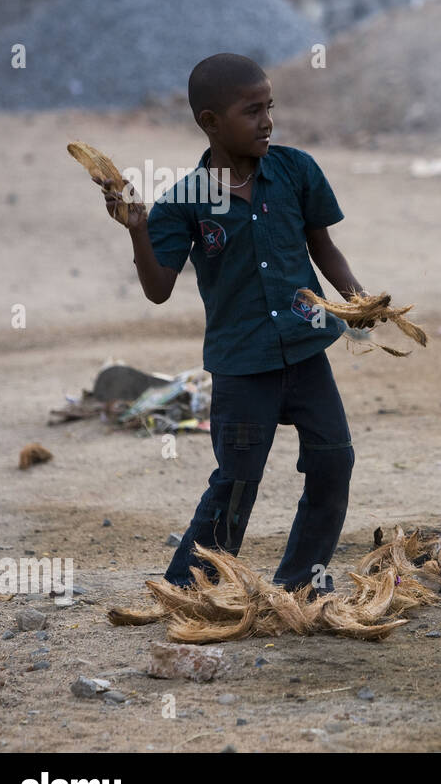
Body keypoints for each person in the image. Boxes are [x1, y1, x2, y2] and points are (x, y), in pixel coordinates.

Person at [97, 52, 368, 594]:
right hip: (243, 365)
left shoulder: (296, 170)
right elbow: (157, 290)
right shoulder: (184, 203)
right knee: (238, 479)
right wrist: (137, 230)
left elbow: (324, 248)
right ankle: (190, 587)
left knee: (334, 460)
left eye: (270, 107)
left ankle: (301, 582)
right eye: (251, 111)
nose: (267, 121)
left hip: (306, 348)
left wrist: (360, 302)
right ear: (210, 122)